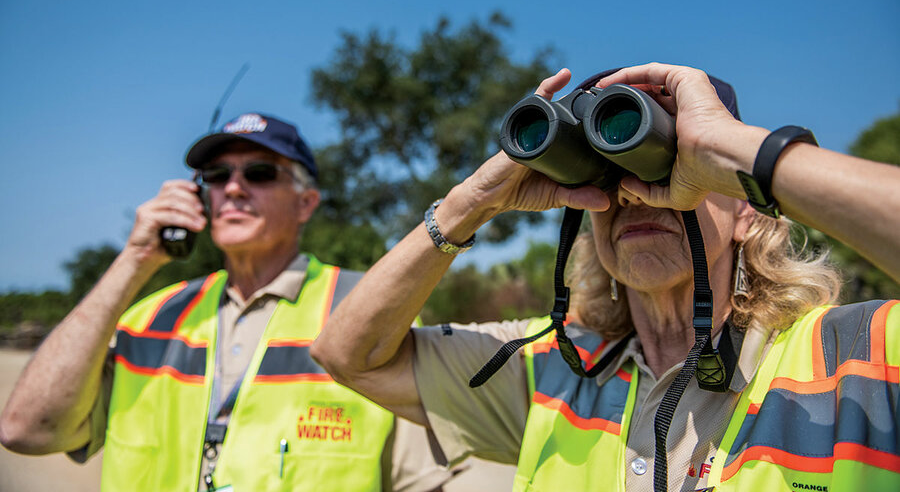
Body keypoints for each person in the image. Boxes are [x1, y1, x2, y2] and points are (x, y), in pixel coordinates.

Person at [310, 63, 900, 492]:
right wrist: (472, 202)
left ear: (747, 209)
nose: (636, 196)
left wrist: (725, 146)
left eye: (665, 168)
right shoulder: (556, 376)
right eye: (606, 176)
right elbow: (350, 355)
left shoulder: (859, 359)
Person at [0, 112, 453, 492]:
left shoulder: (369, 304)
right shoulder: (148, 317)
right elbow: (26, 430)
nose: (233, 189)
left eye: (258, 173)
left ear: (306, 203)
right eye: (217, 176)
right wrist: (134, 261)